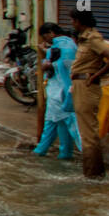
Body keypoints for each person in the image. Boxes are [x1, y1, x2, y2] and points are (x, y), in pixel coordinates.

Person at [69, 9, 109, 179]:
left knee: (88, 134)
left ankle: (93, 174)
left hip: (87, 85)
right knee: (87, 131)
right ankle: (92, 172)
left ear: (79, 21)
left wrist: (96, 75)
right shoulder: (84, 38)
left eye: (73, 21)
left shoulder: (93, 38)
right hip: (80, 84)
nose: (72, 24)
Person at [33, 23, 82, 161]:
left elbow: (49, 66)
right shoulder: (71, 45)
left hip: (58, 91)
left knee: (55, 123)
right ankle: (65, 153)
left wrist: (45, 59)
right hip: (68, 89)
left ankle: (40, 151)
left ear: (50, 33)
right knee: (61, 123)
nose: (45, 40)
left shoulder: (56, 47)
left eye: (45, 36)